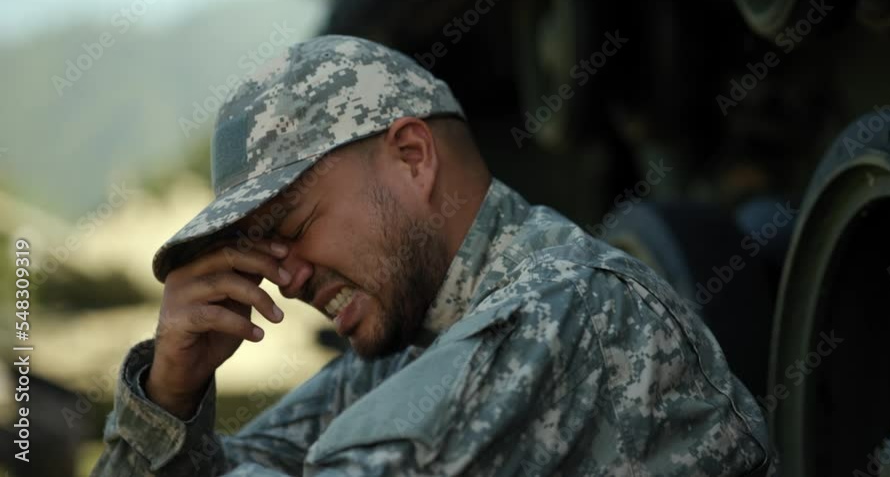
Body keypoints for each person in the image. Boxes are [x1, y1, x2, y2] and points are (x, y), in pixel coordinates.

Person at [92, 35, 772, 476]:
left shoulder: (567, 307)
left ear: (413, 158)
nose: (286, 275)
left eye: (293, 224)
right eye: (262, 251)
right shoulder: (410, 337)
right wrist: (168, 396)